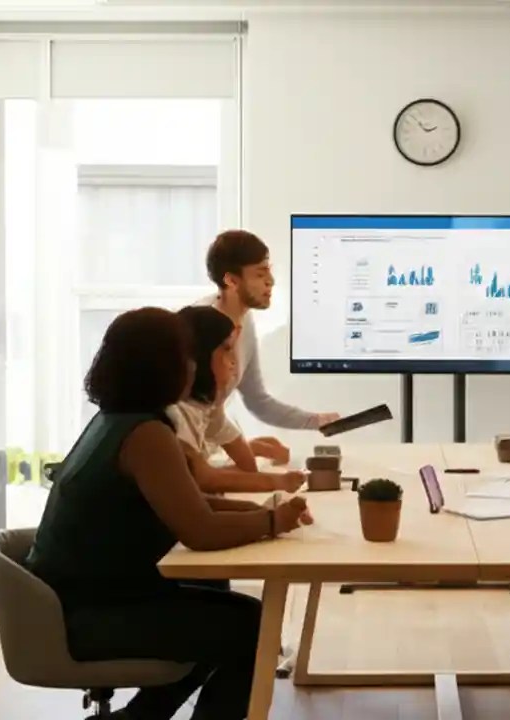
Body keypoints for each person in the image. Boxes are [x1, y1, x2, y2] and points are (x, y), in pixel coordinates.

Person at [25, 307, 314, 720]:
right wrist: (271, 522)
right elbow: (200, 529)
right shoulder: (147, 436)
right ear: (165, 366)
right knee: (252, 628)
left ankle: (139, 718)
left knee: (225, 607)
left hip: (71, 602)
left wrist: (267, 512)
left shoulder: (113, 422)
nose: (193, 365)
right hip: (88, 616)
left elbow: (189, 501)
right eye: (186, 356)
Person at [198, 230, 339, 464]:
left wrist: (316, 420)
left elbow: (257, 401)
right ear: (231, 280)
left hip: (208, 452)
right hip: (187, 458)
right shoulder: (200, 327)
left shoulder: (245, 322)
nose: (270, 281)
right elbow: (198, 413)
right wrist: (242, 451)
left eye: (269, 271)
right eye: (260, 273)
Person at [169, 305, 305, 494]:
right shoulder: (176, 414)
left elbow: (247, 466)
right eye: (227, 349)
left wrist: (253, 449)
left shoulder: (206, 407)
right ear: (198, 356)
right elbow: (204, 480)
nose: (234, 361)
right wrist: (279, 482)